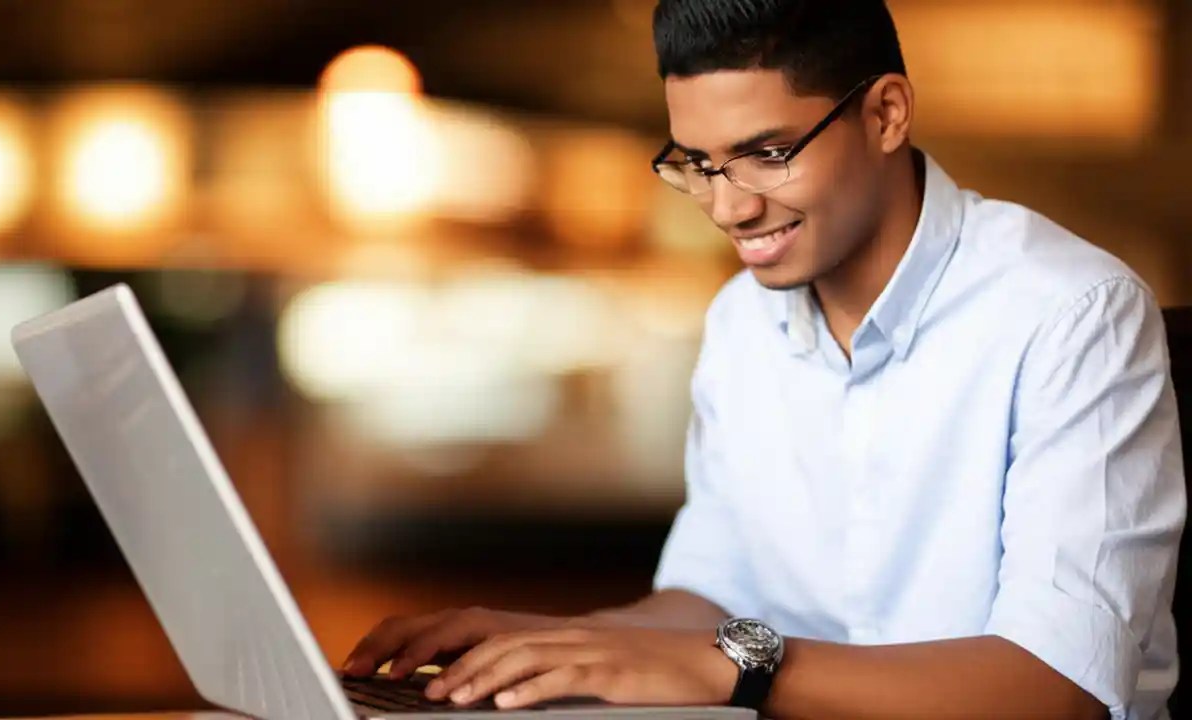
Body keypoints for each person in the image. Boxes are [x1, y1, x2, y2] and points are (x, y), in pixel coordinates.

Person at [342, 1, 1186, 717]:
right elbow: (711, 602)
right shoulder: (741, 323)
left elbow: (1058, 687)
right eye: (699, 164)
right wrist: (546, 641)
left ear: (887, 114)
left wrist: (737, 662)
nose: (730, 206)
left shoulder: (1071, 314)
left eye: (768, 153)